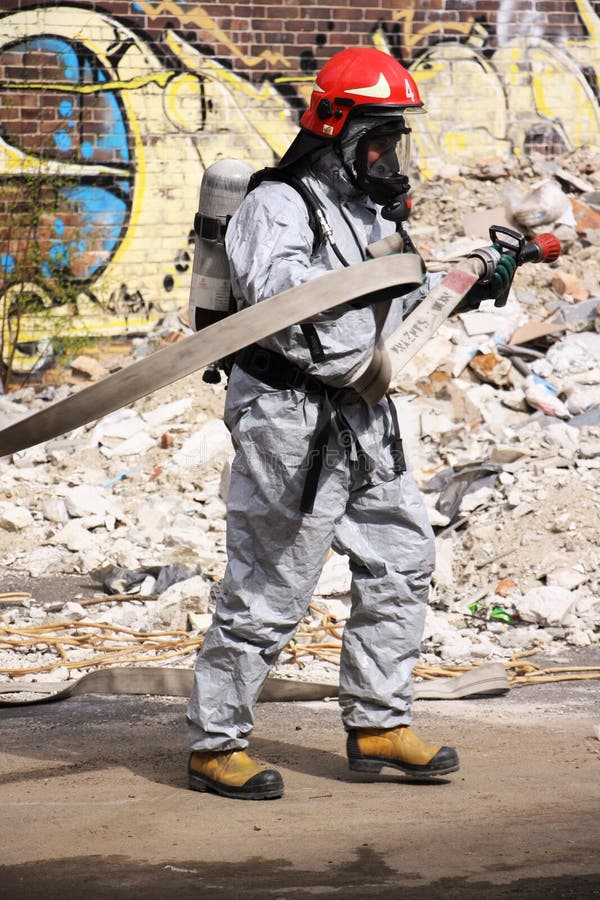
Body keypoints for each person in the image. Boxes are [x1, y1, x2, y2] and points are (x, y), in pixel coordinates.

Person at [185, 47, 516, 800]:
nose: (388, 155)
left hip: (363, 412)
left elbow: (396, 305)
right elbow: (284, 305)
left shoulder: (369, 210)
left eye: (394, 141)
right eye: (377, 140)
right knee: (270, 586)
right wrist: (378, 276)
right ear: (335, 130)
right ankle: (215, 744)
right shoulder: (279, 207)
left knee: (402, 558)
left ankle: (377, 724)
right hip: (289, 420)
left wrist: (463, 286)